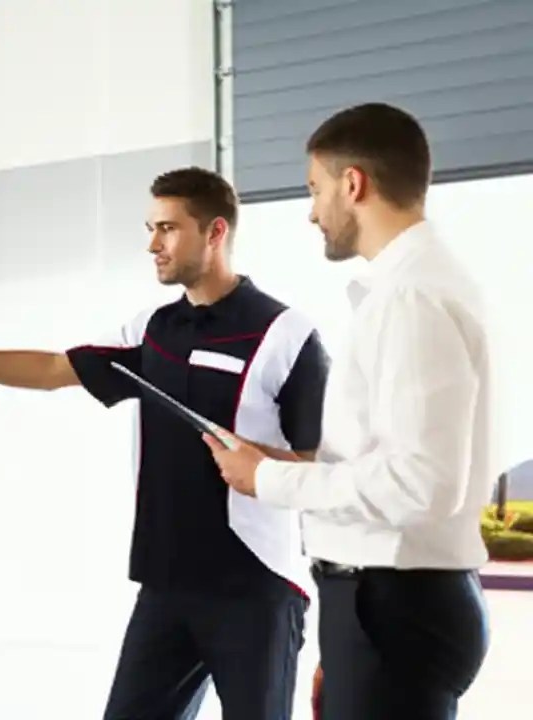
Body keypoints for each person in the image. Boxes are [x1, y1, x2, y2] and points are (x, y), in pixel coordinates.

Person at [0, 167, 331, 720]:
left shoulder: (286, 334)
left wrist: (258, 466)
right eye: (150, 228)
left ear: (215, 233)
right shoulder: (152, 331)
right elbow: (51, 368)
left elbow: (322, 469)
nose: (152, 245)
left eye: (167, 228)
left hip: (257, 589)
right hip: (166, 586)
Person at [203, 102, 494, 720]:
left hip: (394, 601)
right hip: (383, 603)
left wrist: (271, 480)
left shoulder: (412, 297)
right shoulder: (418, 286)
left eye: (314, 188)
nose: (311, 211)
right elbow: (395, 460)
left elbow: (421, 484)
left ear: (353, 182)